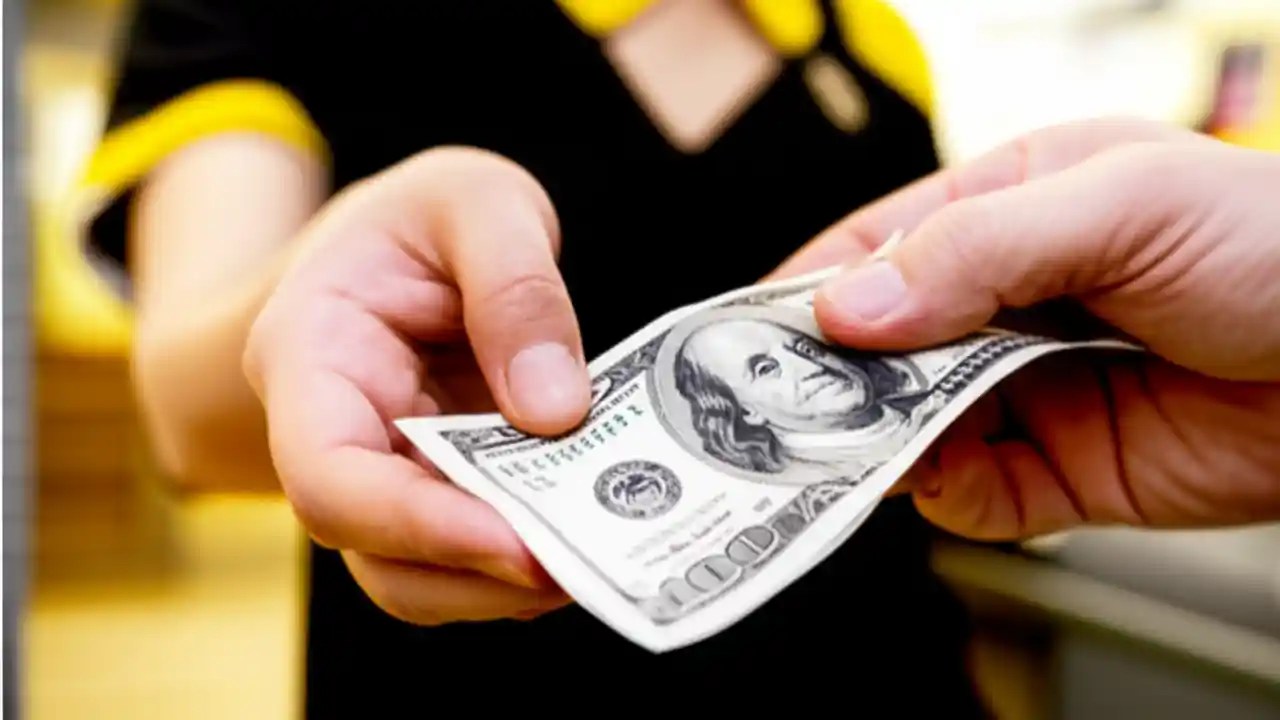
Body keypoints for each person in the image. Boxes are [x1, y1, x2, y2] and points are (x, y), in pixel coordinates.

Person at [79, 0, 990, 715]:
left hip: (879, 672)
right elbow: (188, 415)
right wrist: (335, 286)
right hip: (465, 684)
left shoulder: (876, 43)